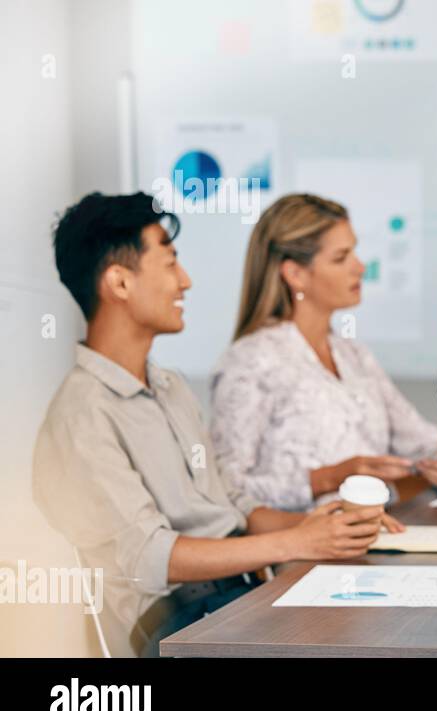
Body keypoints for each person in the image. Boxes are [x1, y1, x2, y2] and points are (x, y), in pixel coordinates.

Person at [32, 192, 402, 657]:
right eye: (170, 263)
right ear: (120, 283)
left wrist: (328, 528)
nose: (185, 281)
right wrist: (295, 541)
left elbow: (234, 505)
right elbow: (151, 557)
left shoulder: (170, 388)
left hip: (238, 597)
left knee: (389, 621)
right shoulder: (82, 415)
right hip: (179, 626)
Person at [210, 193, 437, 512]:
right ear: (295, 274)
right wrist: (327, 478)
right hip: (300, 540)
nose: (359, 267)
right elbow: (226, 488)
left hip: (375, 531)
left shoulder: (353, 355)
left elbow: (420, 441)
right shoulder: (250, 361)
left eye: (354, 252)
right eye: (341, 258)